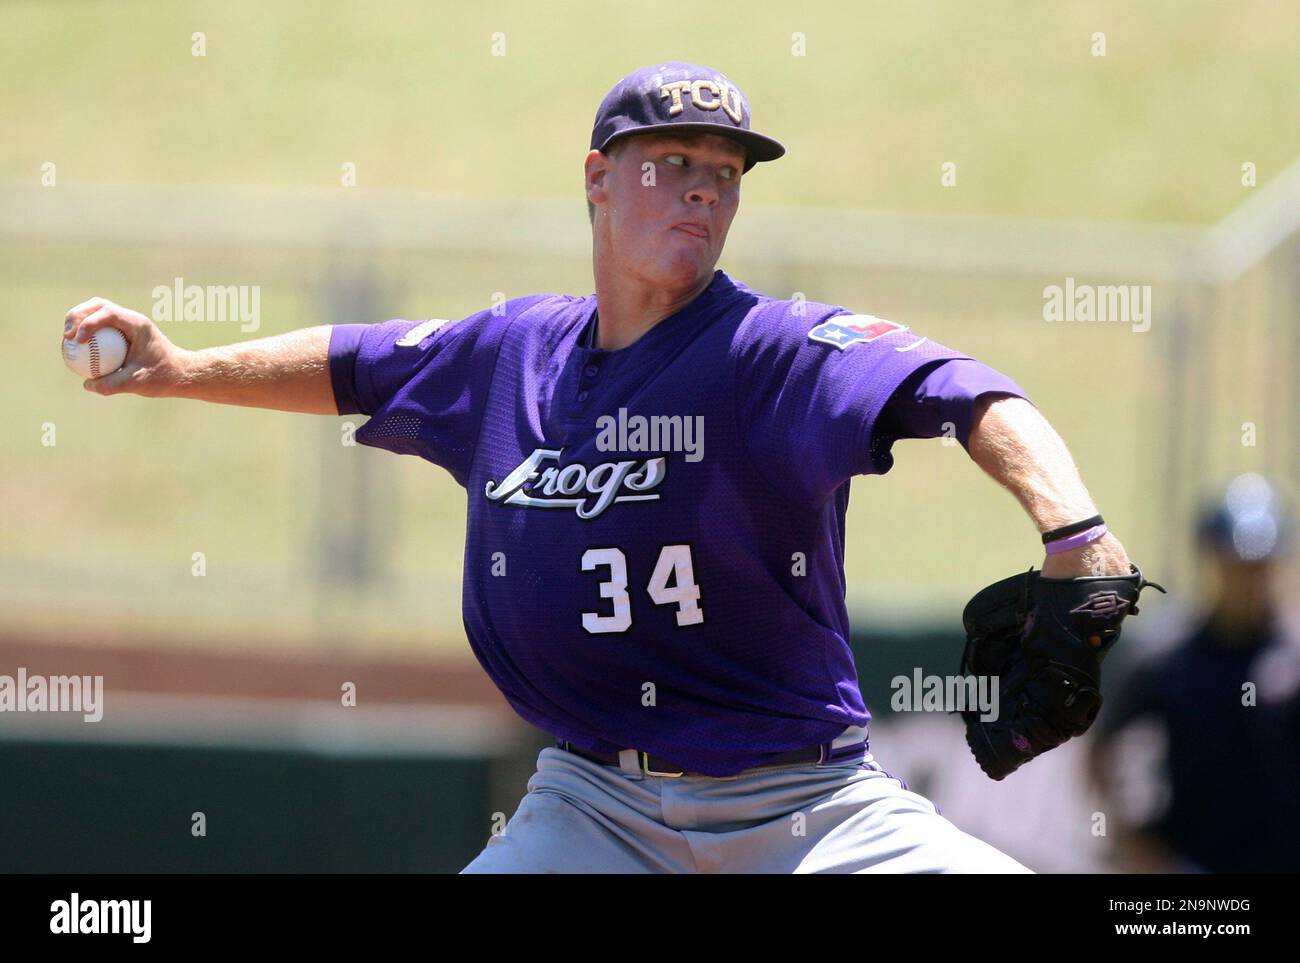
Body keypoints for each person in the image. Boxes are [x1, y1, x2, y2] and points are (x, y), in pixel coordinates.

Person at [63, 61, 1143, 873]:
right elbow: (357, 365)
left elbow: (964, 391)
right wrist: (180, 367)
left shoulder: (772, 349)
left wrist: (1074, 533)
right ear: (597, 176)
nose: (701, 193)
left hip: (804, 808)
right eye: (671, 163)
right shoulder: (512, 351)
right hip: (590, 808)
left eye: (723, 174)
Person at [1090, 473, 1300, 873]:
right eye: (1238, 563)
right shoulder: (1170, 654)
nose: (1251, 577)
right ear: (1214, 561)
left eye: (1262, 564)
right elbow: (1101, 746)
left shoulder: (1294, 653)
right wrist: (1130, 838)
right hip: (1192, 864)